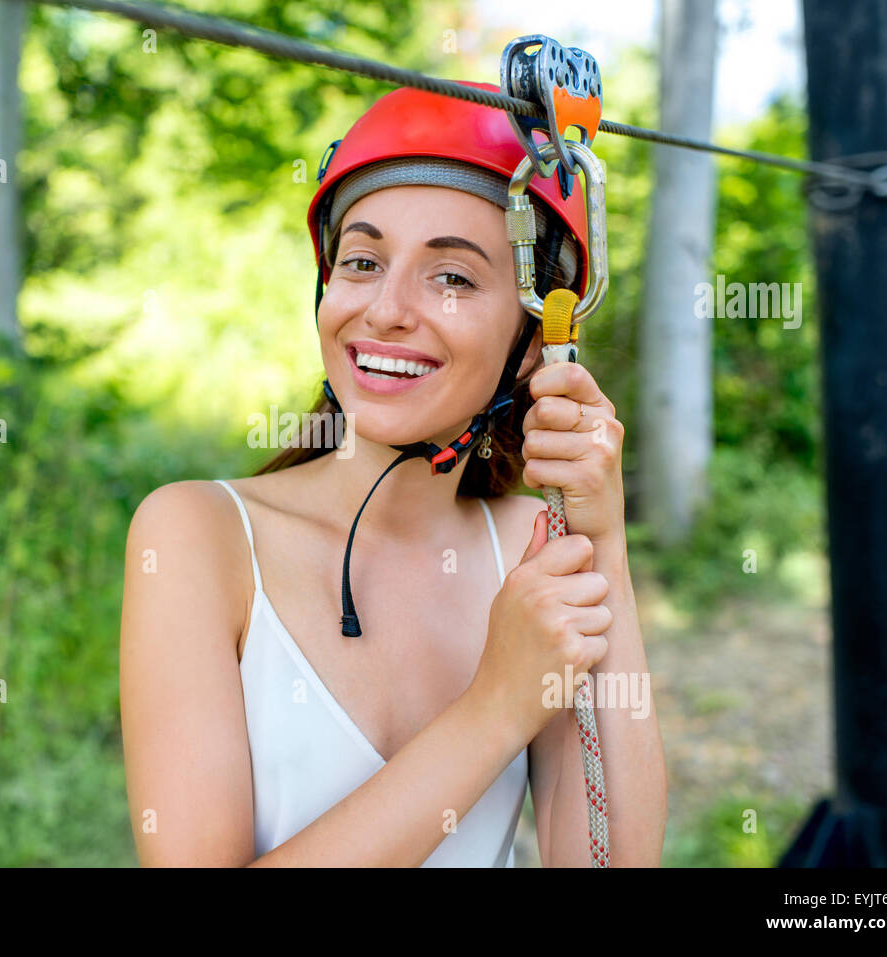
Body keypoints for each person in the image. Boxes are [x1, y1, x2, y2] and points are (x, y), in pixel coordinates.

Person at [120, 81, 666, 866]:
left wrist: (601, 540)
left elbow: (615, 861)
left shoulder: (534, 550)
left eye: (453, 277)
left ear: (536, 341)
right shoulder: (197, 537)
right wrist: (495, 706)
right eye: (363, 261)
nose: (385, 309)